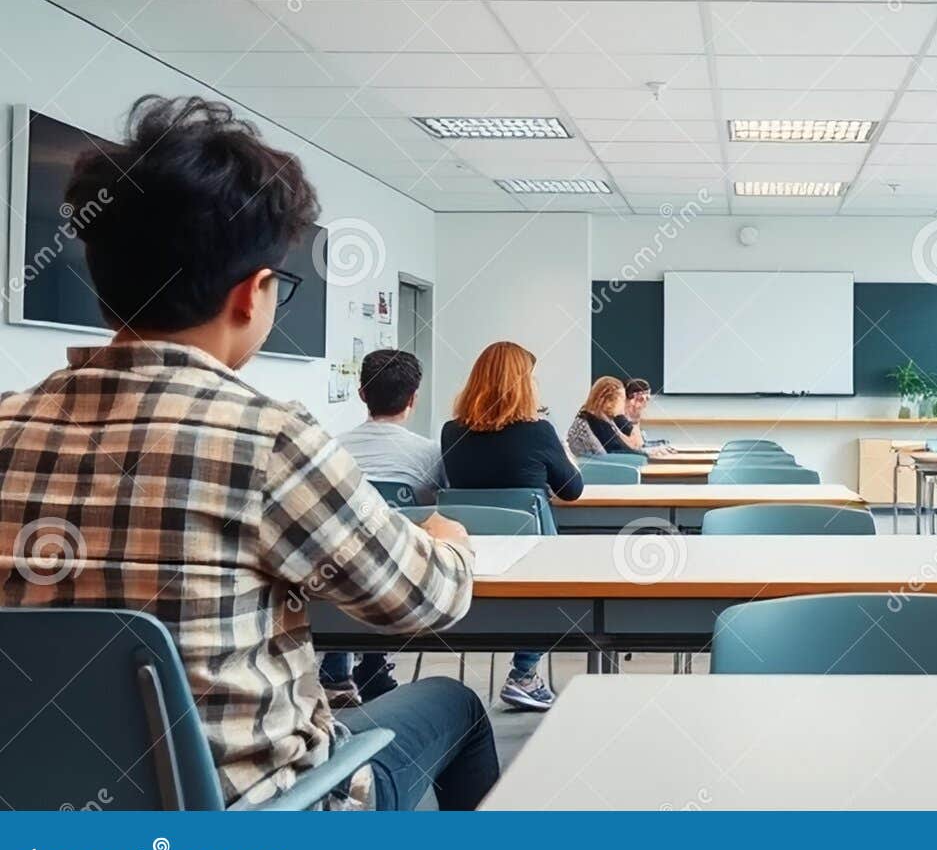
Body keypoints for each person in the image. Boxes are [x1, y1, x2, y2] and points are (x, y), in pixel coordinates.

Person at [0, 95, 495, 810]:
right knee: (457, 705)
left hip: (40, 829)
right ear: (253, 293)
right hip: (253, 829)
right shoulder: (268, 440)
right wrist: (448, 542)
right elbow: (421, 602)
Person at [442, 341, 583, 710]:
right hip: (531, 559)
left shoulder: (450, 432)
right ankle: (524, 673)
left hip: (471, 555)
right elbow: (572, 491)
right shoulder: (538, 431)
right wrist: (562, 453)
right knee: (561, 574)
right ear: (524, 384)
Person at [323, 348, 450, 707]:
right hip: (403, 573)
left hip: (337, 570)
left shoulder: (332, 448)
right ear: (413, 398)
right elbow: (437, 506)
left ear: (362, 393)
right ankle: (372, 667)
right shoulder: (430, 453)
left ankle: (337, 672)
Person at [568, 376, 635, 456]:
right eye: (622, 399)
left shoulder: (602, 419)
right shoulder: (595, 424)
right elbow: (617, 450)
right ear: (608, 402)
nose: (624, 404)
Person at [615, 378, 651, 449]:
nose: (644, 404)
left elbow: (641, 444)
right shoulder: (620, 419)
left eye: (647, 398)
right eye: (640, 399)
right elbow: (638, 445)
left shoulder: (633, 416)